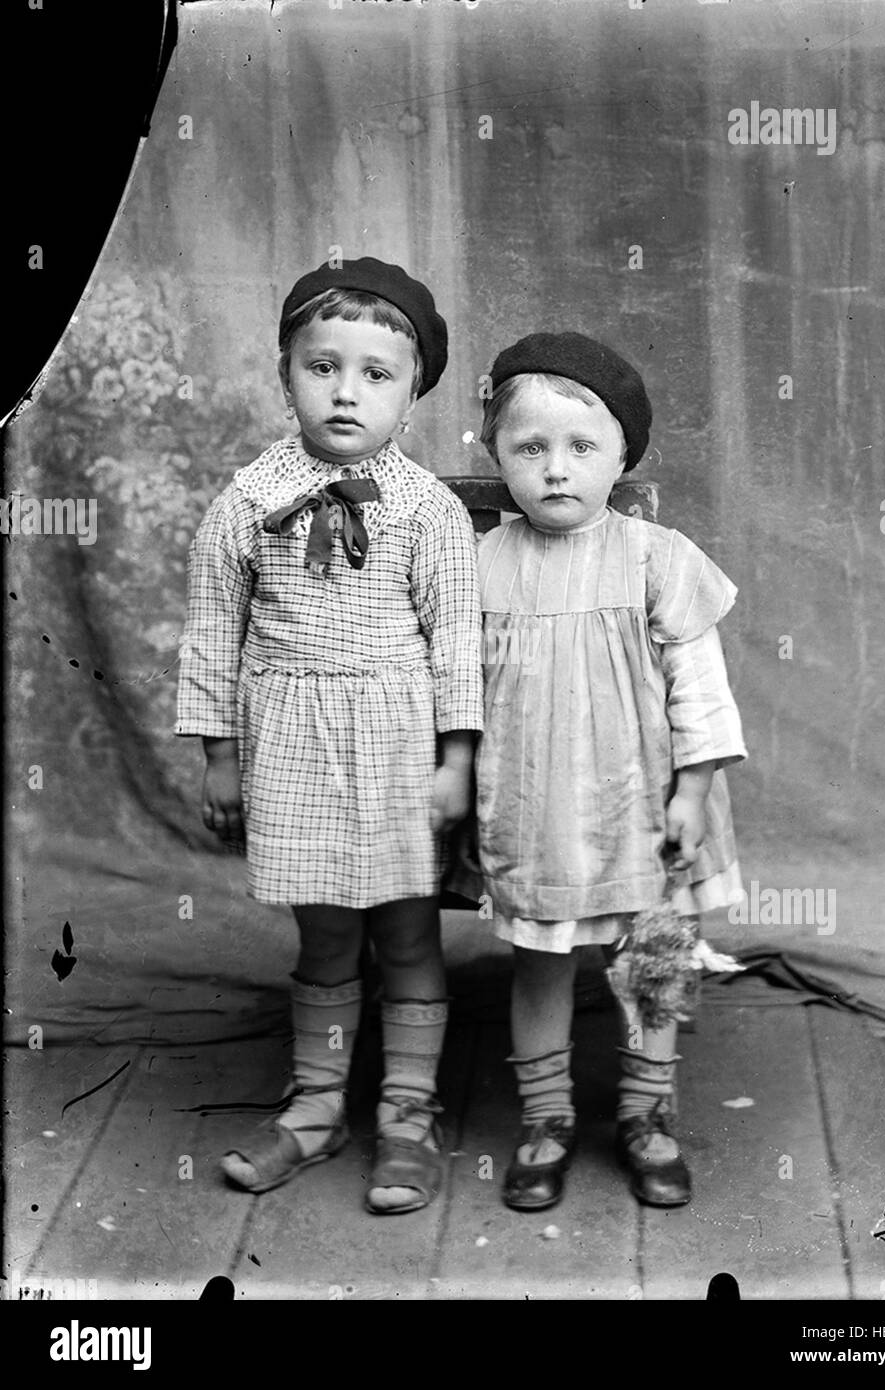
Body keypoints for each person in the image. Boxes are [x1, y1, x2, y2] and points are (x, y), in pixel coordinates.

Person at [175, 257, 483, 1215]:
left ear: (413, 392)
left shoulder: (426, 510)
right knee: (323, 936)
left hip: (395, 741)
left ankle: (407, 1112)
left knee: (405, 931)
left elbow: (459, 644)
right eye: (322, 366)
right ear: (286, 373)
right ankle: (315, 1108)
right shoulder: (245, 501)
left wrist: (457, 761)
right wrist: (219, 756)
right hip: (291, 740)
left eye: (376, 374)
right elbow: (211, 630)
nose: (346, 391)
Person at [474, 331, 747, 1211]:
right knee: (541, 964)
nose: (556, 469)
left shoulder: (656, 557)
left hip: (643, 801)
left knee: (654, 959)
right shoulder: (481, 565)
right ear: (497, 456)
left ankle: (645, 1114)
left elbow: (699, 690)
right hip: (536, 808)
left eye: (581, 447)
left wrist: (694, 791)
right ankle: (545, 1119)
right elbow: (452, 686)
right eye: (530, 448)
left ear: (621, 453)